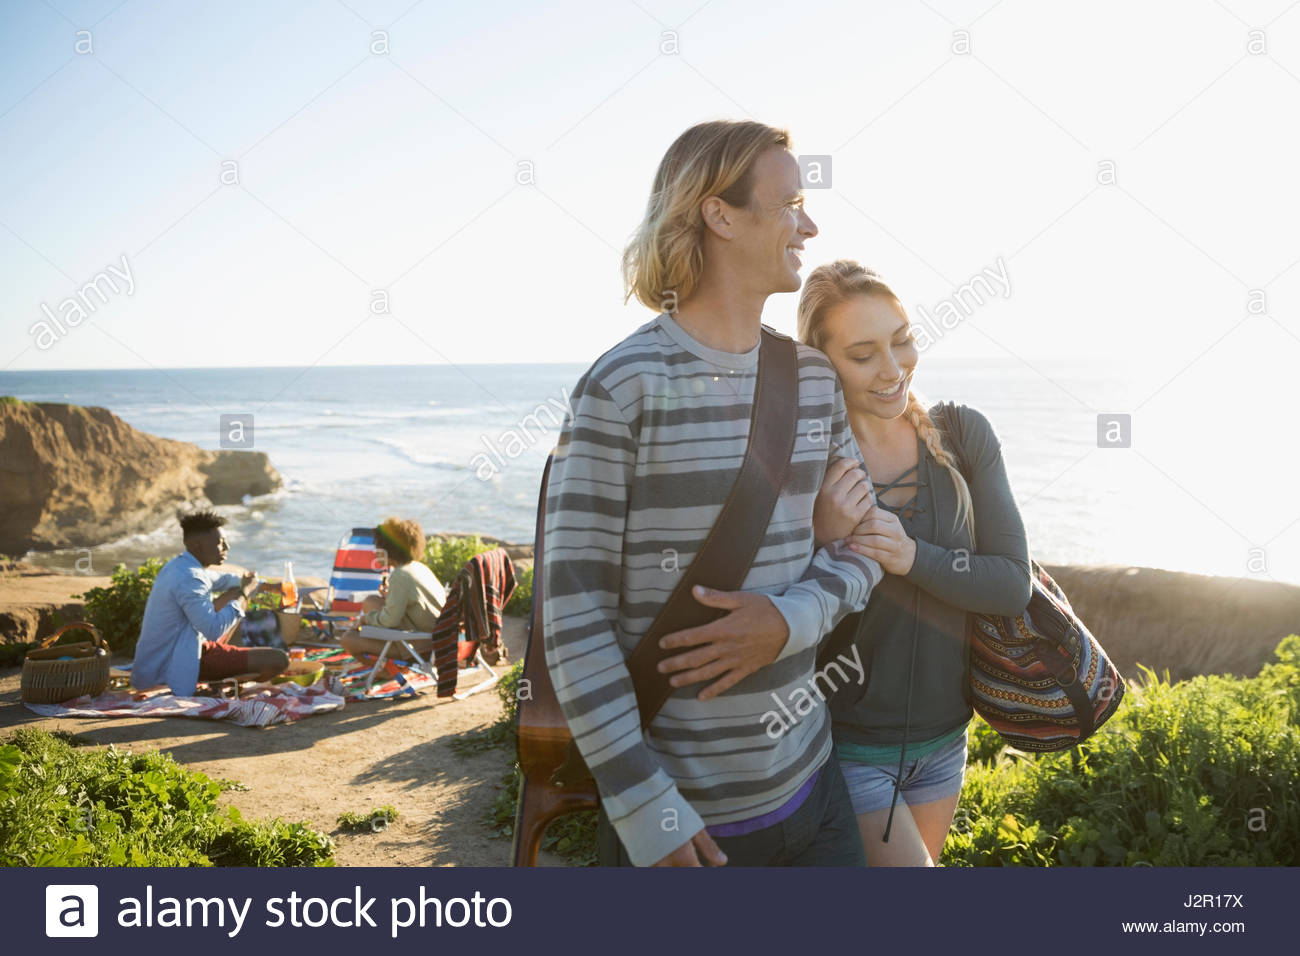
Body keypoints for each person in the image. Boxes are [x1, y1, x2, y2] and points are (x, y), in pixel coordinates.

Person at [542, 120, 884, 868]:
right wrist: (642, 803)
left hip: (815, 793)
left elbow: (869, 542)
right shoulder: (622, 387)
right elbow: (573, 612)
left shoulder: (815, 381)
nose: (810, 222)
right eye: (790, 200)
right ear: (719, 213)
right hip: (683, 826)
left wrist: (788, 619)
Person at [800, 260, 1032, 865]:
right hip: (847, 747)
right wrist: (822, 537)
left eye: (902, 340)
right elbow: (780, 609)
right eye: (863, 354)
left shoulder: (962, 433)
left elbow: (1011, 584)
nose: (892, 368)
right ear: (822, 363)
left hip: (946, 742)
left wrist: (910, 556)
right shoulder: (808, 468)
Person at [133, 509, 289, 696]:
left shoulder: (181, 566)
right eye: (220, 543)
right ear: (197, 546)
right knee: (279, 660)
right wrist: (245, 593)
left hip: (185, 646)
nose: (227, 547)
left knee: (234, 591)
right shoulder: (190, 578)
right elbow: (213, 631)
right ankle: (221, 681)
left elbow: (227, 580)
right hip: (179, 661)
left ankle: (223, 674)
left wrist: (268, 587)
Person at [339, 518, 446, 661]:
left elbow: (390, 621)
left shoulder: (400, 575)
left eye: (378, 547)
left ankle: (385, 672)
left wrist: (365, 619)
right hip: (437, 639)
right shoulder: (418, 568)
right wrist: (391, 595)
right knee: (371, 602)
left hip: (419, 647)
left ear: (388, 549)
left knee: (348, 639)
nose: (375, 551)